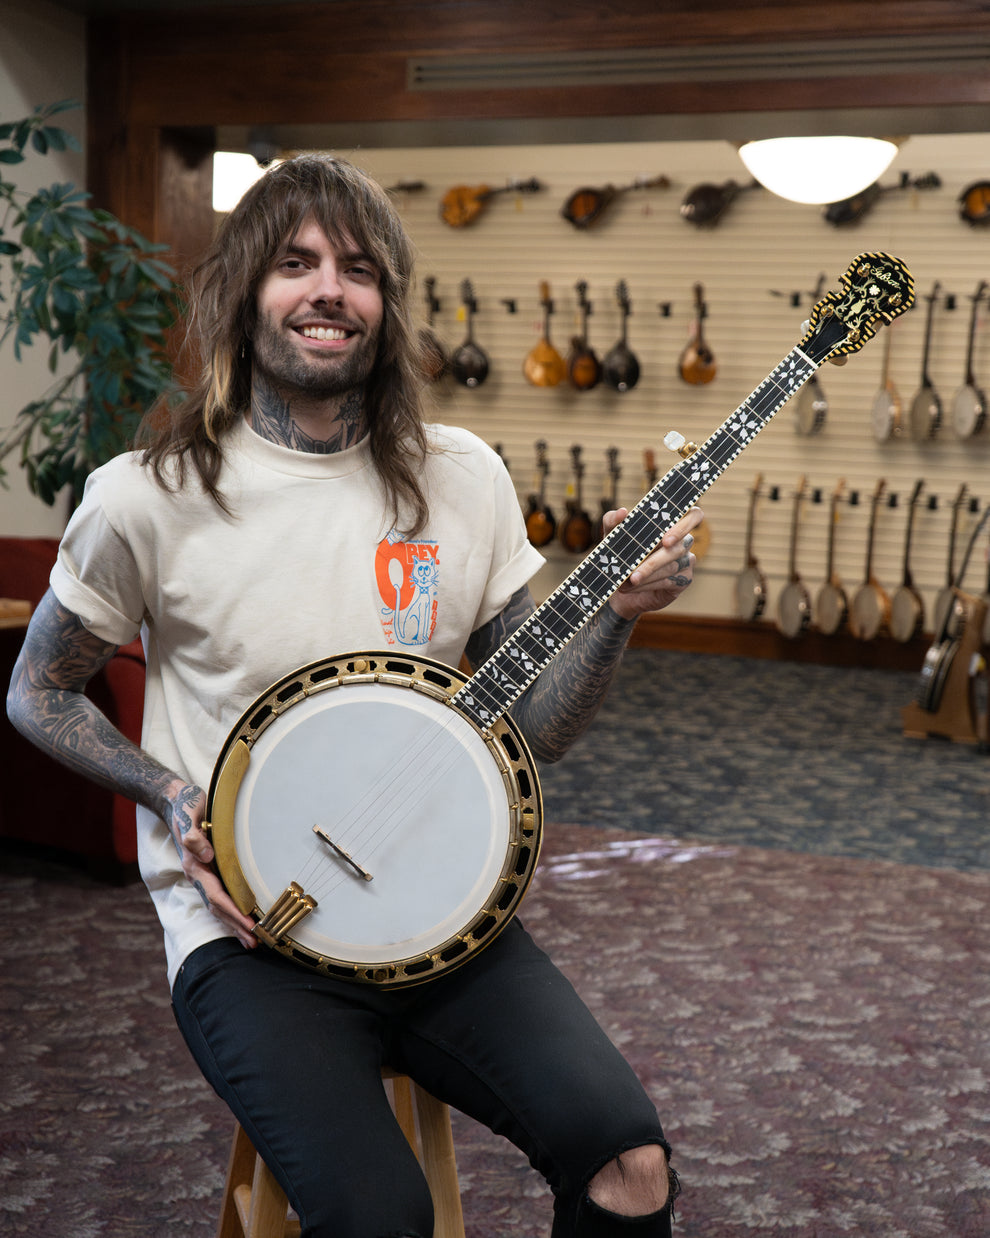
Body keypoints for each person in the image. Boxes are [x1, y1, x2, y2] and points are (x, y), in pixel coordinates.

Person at [7, 153, 701, 1238]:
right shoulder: (148, 495)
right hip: (251, 941)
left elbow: (542, 726)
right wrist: (169, 793)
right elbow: (36, 691)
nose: (330, 288)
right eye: (296, 261)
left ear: (387, 304)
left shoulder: (460, 474)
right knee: (382, 1216)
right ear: (244, 290)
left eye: (360, 268)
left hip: (447, 918)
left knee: (632, 1165)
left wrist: (613, 615)